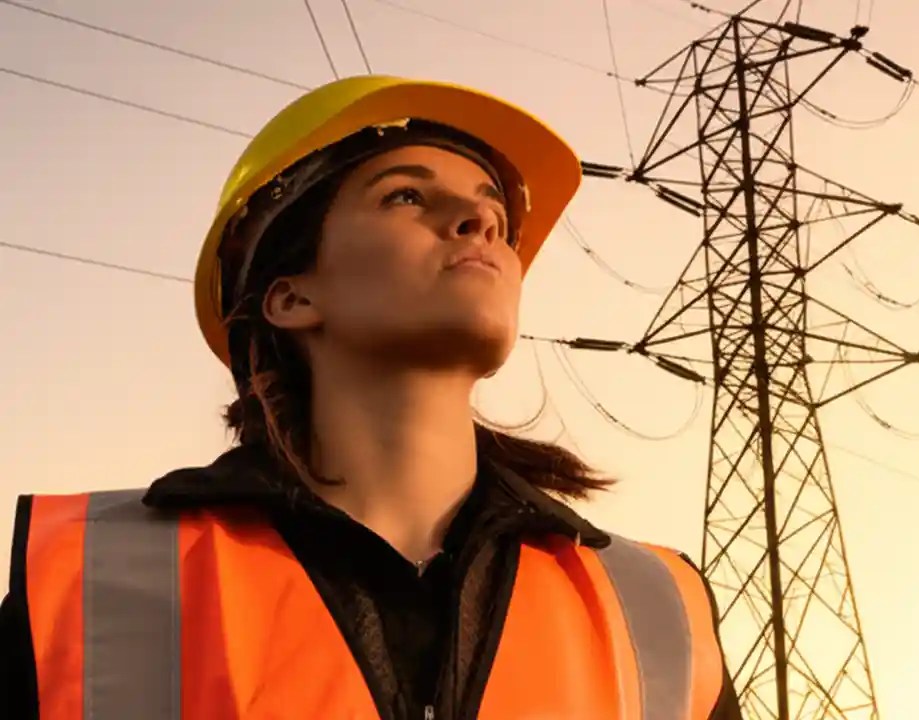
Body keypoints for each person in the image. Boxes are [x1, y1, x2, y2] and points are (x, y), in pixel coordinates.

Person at [0, 76, 741, 719]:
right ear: (290, 298)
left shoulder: (656, 608)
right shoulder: (88, 579)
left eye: (493, 210)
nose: (481, 220)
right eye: (407, 195)